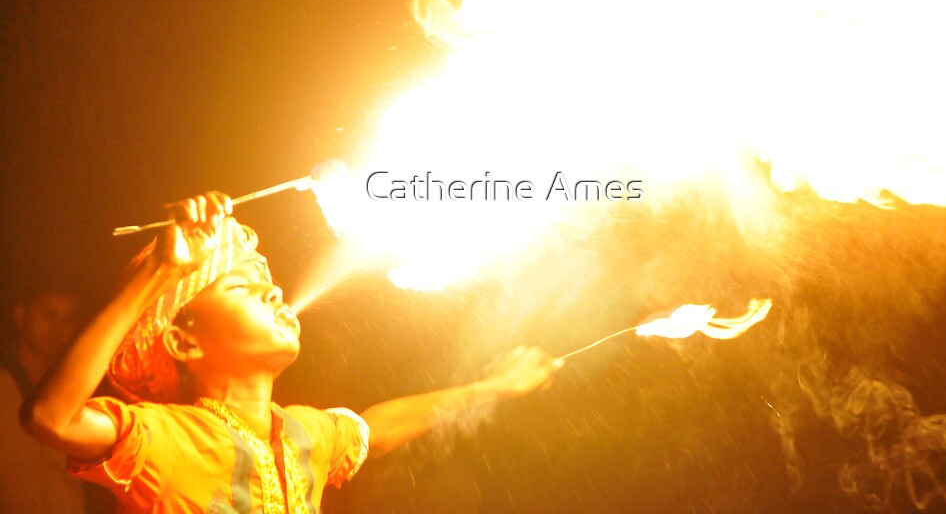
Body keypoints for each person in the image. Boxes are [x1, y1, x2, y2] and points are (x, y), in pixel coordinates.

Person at [20, 191, 561, 513]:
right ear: (184, 341)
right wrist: (160, 273)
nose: (274, 292)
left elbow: (374, 430)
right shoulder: (162, 438)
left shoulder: (304, 433)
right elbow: (51, 416)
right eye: (241, 287)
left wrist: (491, 388)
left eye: (268, 281)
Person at [0, 282, 89, 513]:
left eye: (68, 319)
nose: (57, 329)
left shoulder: (82, 394)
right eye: (48, 314)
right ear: (21, 316)